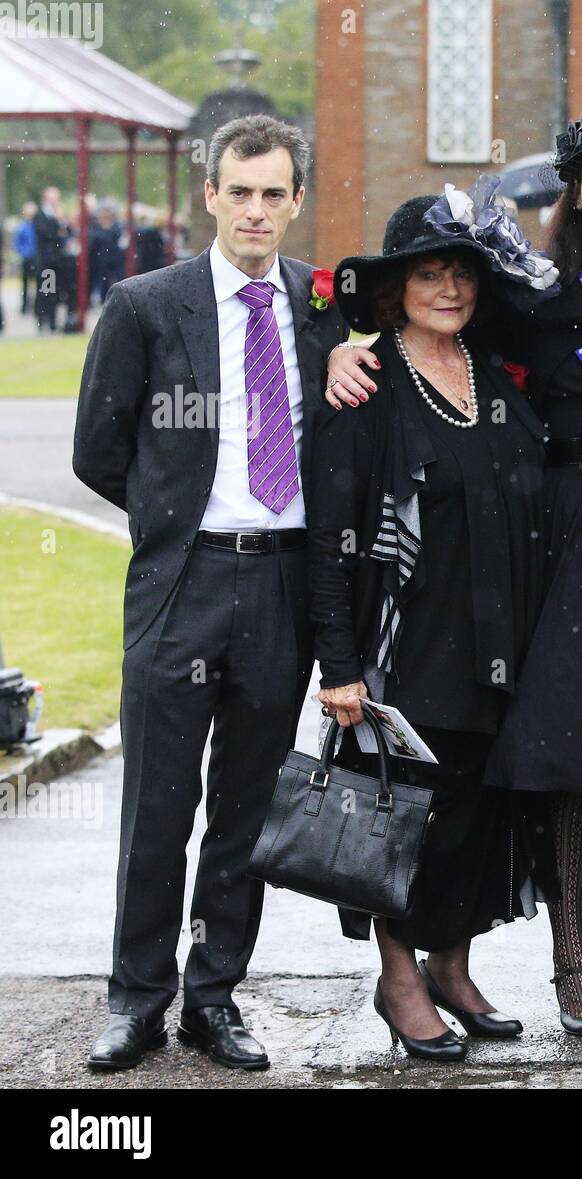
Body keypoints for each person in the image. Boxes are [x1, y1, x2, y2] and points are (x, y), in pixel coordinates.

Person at [326, 101, 582, 1039]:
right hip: (557, 537)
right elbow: (427, 319)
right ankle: (569, 964)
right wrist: (340, 345)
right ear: (575, 192)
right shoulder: (532, 293)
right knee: (560, 756)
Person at [73, 115, 350, 1072]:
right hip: (182, 580)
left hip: (282, 577)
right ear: (210, 194)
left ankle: (214, 996)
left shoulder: (320, 309)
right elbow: (97, 450)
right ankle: (136, 999)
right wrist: (173, 519)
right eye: (242, 191)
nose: (258, 210)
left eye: (276, 193)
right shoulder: (148, 304)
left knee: (246, 809)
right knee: (157, 803)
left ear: (296, 200)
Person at [310, 184, 559, 1060]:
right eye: (429, 272)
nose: (449, 287)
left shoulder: (498, 376)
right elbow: (331, 546)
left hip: (501, 643)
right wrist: (339, 666)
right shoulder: (365, 388)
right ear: (395, 287)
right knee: (406, 820)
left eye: (462, 271)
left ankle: (452, 966)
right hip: (406, 649)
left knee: (481, 814)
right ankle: (400, 977)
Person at [33, 186, 68, 333]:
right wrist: (57, 228)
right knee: (45, 290)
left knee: (54, 291)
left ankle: (53, 321)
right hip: (45, 261)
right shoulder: (40, 215)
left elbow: (64, 233)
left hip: (56, 260)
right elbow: (46, 234)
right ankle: (43, 320)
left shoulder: (57, 216)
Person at [89, 203, 126, 304]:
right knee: (102, 282)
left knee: (117, 280)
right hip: (100, 260)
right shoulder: (96, 227)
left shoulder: (116, 227)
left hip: (113, 259)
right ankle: (103, 300)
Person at [15, 202, 37, 316]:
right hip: (27, 258)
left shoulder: (35, 226)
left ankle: (34, 306)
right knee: (26, 283)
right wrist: (25, 252)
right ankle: (24, 306)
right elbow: (18, 243)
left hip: (35, 258)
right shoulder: (22, 227)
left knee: (37, 283)